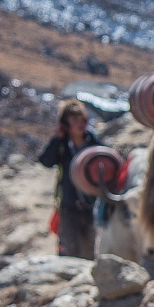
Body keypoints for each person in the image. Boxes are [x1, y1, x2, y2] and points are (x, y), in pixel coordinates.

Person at [38, 100, 100, 258]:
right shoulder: (62, 145)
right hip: (69, 205)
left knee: (92, 250)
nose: (79, 124)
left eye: (81, 120)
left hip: (92, 204)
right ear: (65, 124)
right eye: (74, 120)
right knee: (71, 250)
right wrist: (57, 139)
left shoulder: (93, 143)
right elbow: (46, 161)